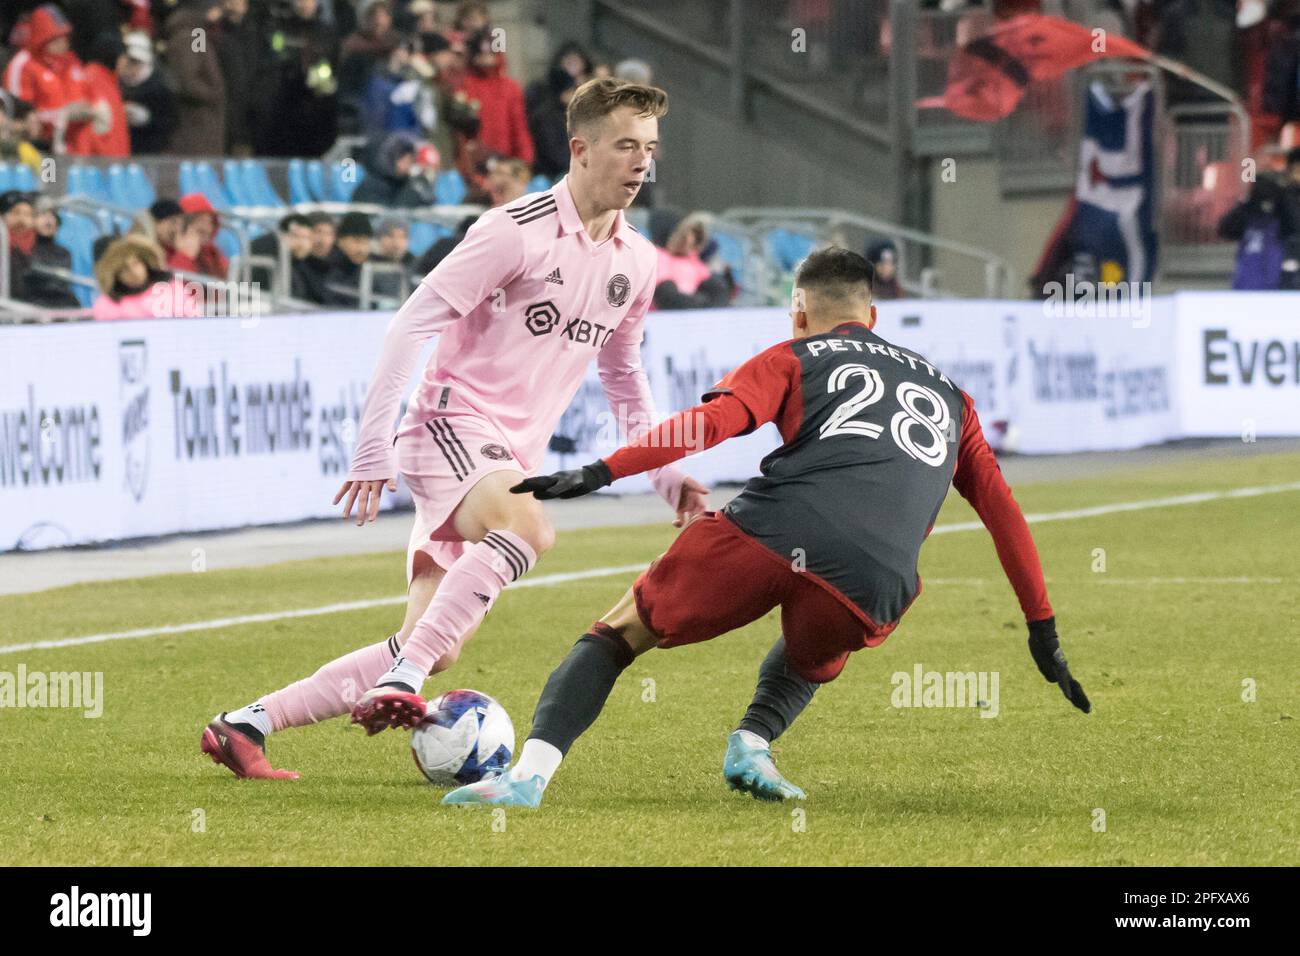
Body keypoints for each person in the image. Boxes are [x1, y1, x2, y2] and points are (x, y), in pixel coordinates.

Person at [440, 247, 1090, 809]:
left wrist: (600, 471)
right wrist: (1042, 627)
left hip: (771, 530)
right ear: (873, 317)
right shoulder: (953, 397)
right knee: (816, 649)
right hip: (878, 578)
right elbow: (1003, 513)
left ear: (799, 312)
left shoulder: (793, 356)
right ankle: (753, 743)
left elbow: (709, 425)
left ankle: (528, 778)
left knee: (617, 634)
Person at [200, 78, 708, 779]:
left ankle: (245, 725)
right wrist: (373, 443)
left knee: (432, 642)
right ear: (581, 149)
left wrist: (666, 470)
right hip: (448, 425)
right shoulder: (513, 231)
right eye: (625, 145)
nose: (641, 162)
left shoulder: (638, 261)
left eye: (649, 148)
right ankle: (402, 683)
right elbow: (413, 322)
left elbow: (624, 376)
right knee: (530, 530)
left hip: (503, 457)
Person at [164, 0, 226, 156]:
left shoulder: (197, 33)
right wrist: (215, 94)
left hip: (200, 121)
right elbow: (189, 81)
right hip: (197, 123)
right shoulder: (193, 36)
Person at [93, 234, 199, 320]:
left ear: (144, 262)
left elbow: (194, 325)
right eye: (124, 269)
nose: (133, 272)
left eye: (135, 263)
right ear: (116, 276)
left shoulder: (173, 289)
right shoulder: (106, 304)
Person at [1218, 173, 1295, 290]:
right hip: (1247, 281)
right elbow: (1224, 229)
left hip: (1275, 281)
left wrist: (1283, 200)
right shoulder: (1246, 214)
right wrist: (1245, 204)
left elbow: (1293, 227)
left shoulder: (1282, 215)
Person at [119, 31, 176, 155]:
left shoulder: (160, 87)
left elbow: (170, 122)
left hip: (150, 150)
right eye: (129, 60)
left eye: (136, 62)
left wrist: (148, 119)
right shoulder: (116, 81)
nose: (131, 66)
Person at [24, 196, 80, 308]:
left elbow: (59, 284)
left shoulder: (64, 252)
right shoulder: (24, 250)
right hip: (32, 306)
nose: (48, 219)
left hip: (61, 304)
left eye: (52, 215)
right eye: (42, 214)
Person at [167, 193, 229, 279]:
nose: (206, 228)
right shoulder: (169, 253)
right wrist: (184, 256)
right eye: (199, 220)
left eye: (209, 222)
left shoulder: (213, 253)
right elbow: (172, 285)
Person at [322, 210, 374, 307]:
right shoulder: (325, 267)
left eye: (366, 242)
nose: (361, 249)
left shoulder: (373, 268)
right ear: (340, 241)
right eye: (357, 241)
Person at [371, 215, 415, 300]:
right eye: (390, 236)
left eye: (402, 237)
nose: (396, 243)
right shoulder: (367, 263)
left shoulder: (414, 264)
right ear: (378, 238)